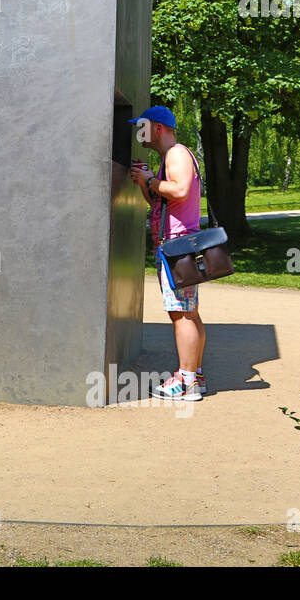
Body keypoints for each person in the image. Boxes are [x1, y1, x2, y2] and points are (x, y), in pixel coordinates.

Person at [128, 105, 207, 401]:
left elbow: (180, 190)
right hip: (177, 245)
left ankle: (185, 382)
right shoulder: (169, 158)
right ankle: (194, 377)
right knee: (189, 313)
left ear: (158, 128)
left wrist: (149, 180)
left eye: (143, 127)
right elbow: (161, 200)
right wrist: (146, 181)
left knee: (182, 316)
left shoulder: (176, 153)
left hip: (178, 245)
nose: (140, 133)